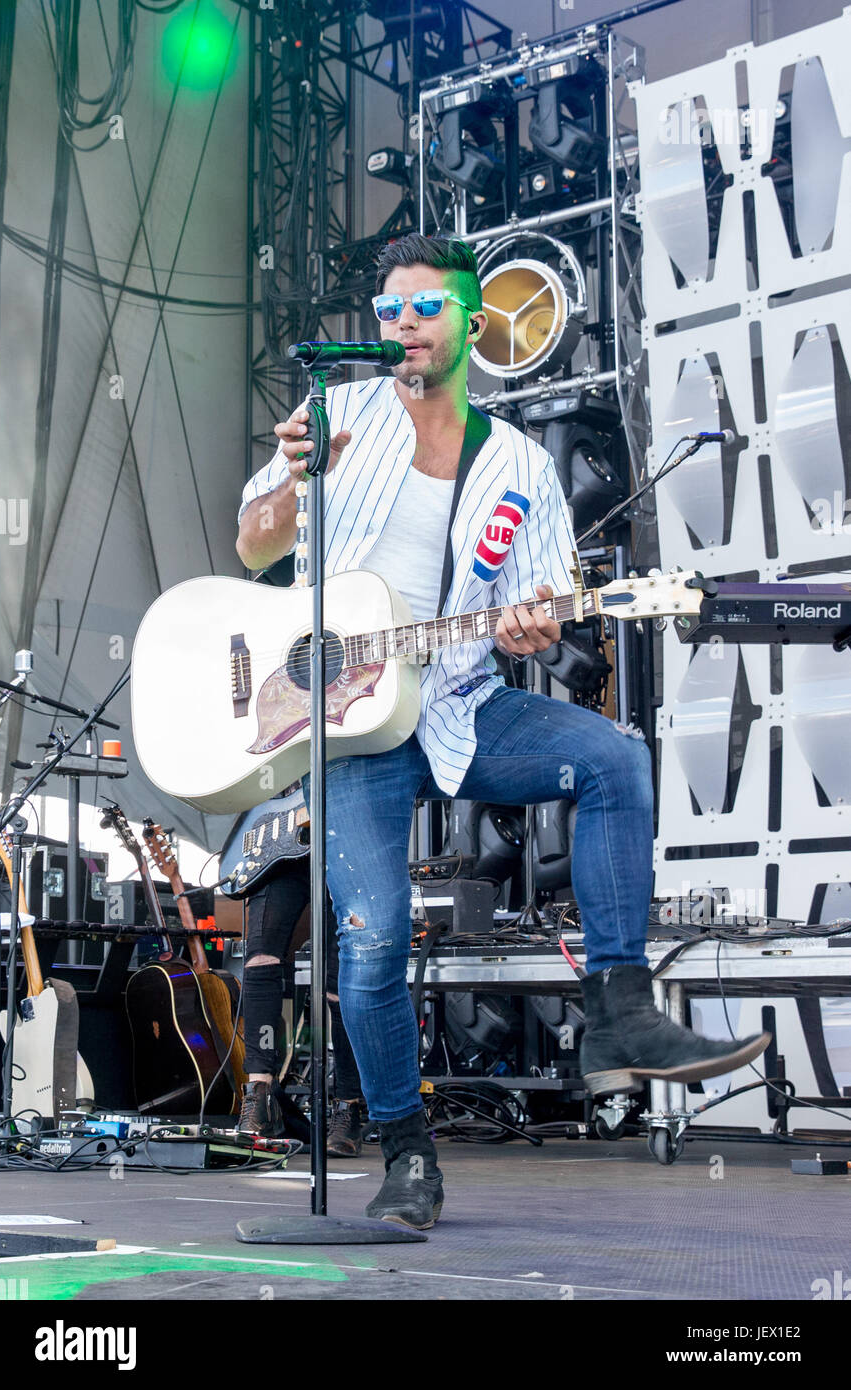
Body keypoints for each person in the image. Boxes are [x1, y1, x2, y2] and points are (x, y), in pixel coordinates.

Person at [236, 233, 769, 1230]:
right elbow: (252, 543)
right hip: (348, 729)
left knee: (612, 758)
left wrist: (537, 618)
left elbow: (544, 598)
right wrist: (291, 483)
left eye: (423, 310)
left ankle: (616, 1010)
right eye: (389, 311)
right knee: (373, 938)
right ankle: (405, 1152)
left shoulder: (516, 461)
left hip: (459, 703)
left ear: (470, 324)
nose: (401, 327)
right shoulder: (335, 413)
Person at [237, 851, 367, 1158]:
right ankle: (259, 1098)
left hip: (343, 843)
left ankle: (348, 1107)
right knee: (259, 959)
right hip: (279, 850)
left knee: (339, 980)